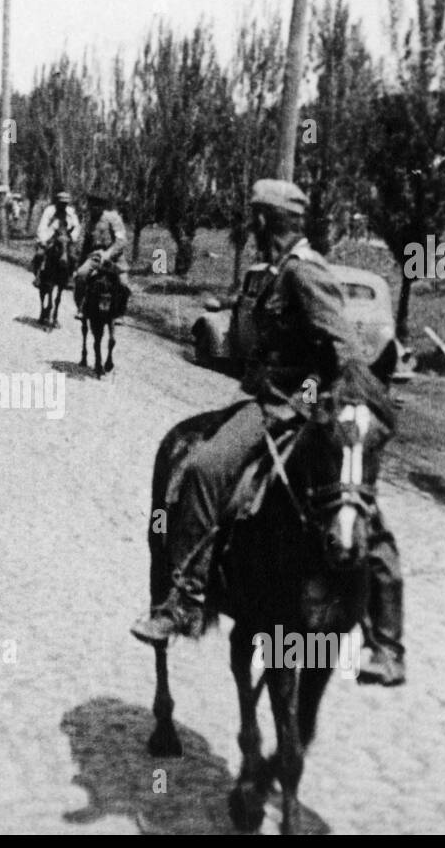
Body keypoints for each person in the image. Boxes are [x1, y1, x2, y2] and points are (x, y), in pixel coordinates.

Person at [129, 179, 406, 687]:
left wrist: (322, 403)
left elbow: (341, 348)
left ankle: (187, 600)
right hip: (271, 399)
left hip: (291, 408)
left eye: (256, 221)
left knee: (204, 468)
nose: (252, 231)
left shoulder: (303, 274)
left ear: (267, 224)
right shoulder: (278, 273)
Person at [73, 193, 130, 320]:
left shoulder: (113, 218)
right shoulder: (89, 221)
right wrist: (79, 263)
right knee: (81, 276)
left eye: (98, 205)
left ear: (103, 206)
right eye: (91, 205)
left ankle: (119, 313)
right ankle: (81, 307)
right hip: (95, 257)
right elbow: (85, 243)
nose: (94, 208)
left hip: (115, 257)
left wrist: (108, 253)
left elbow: (121, 240)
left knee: (124, 283)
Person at [30, 191, 81, 286]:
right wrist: (43, 240)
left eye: (65, 203)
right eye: (61, 203)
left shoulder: (71, 212)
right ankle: (38, 275)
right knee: (40, 254)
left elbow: (76, 227)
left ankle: (69, 277)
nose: (63, 205)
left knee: (73, 257)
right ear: (57, 202)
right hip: (51, 237)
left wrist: (72, 237)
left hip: (66, 238)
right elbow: (42, 226)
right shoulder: (50, 210)